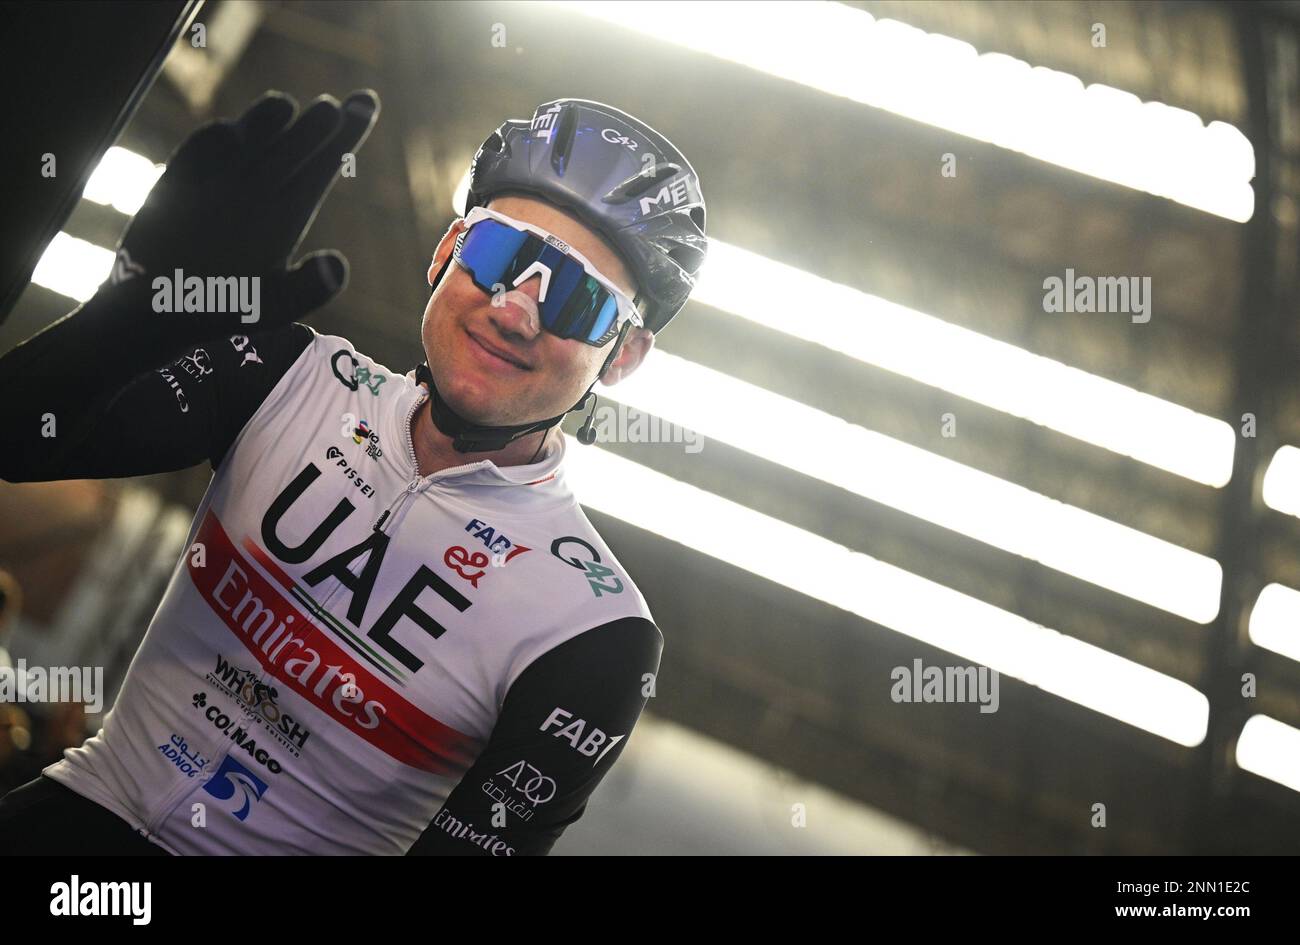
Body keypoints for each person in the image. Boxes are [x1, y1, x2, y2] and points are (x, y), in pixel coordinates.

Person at [0, 90, 707, 855]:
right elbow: (19, 438)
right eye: (502, 255)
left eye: (575, 299)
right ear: (446, 253)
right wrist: (126, 314)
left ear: (624, 357)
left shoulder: (592, 631)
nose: (515, 312)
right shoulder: (291, 375)